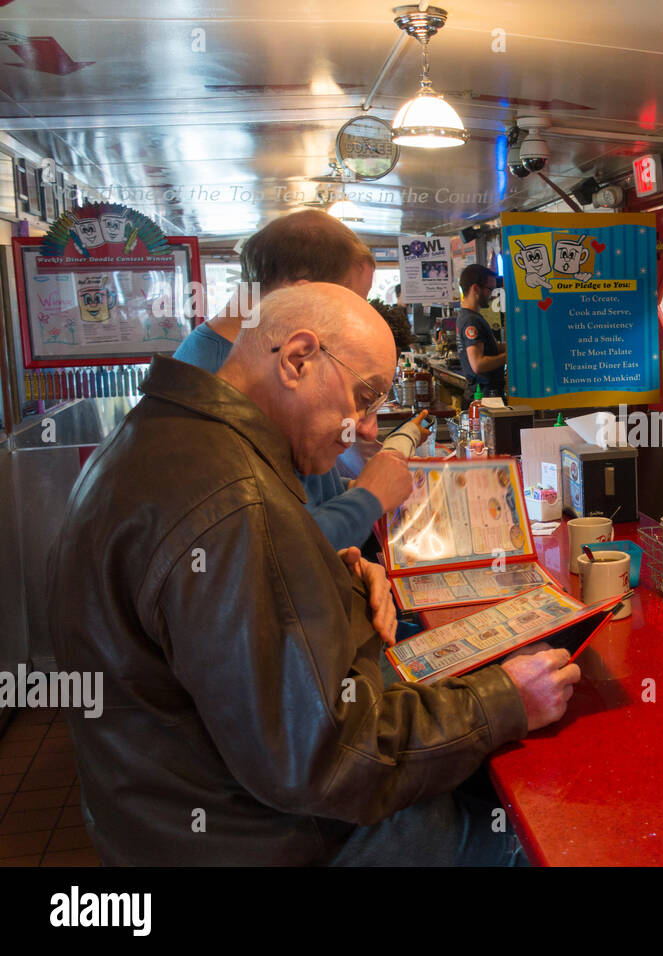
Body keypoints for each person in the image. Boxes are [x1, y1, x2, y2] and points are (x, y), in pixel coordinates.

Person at [48, 284, 581, 865]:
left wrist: (327, 575)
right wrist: (503, 698)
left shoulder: (160, 439)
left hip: (171, 822)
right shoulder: (237, 500)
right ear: (298, 360)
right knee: (546, 836)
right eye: (365, 396)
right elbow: (329, 758)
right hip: (277, 841)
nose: (370, 429)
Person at [172, 208, 410, 550]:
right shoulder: (221, 377)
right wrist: (368, 498)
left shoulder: (246, 356)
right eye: (350, 303)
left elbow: (299, 494)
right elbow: (267, 548)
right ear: (304, 294)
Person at [455, 263, 507, 404]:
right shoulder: (471, 321)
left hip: (485, 394)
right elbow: (478, 364)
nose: (492, 295)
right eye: (489, 289)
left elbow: (493, 347)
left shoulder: (468, 316)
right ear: (476, 288)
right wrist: (509, 357)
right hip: (486, 396)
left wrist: (515, 346)